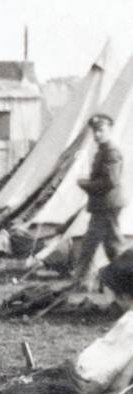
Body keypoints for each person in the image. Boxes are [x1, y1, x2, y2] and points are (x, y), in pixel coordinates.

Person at [75, 113, 126, 292]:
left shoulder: (111, 152)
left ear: (109, 130)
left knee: (108, 246)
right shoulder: (102, 151)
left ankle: (125, 283)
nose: (97, 134)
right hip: (101, 206)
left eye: (101, 130)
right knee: (104, 246)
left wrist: (85, 184)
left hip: (108, 206)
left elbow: (110, 182)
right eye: (95, 131)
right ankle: (83, 283)